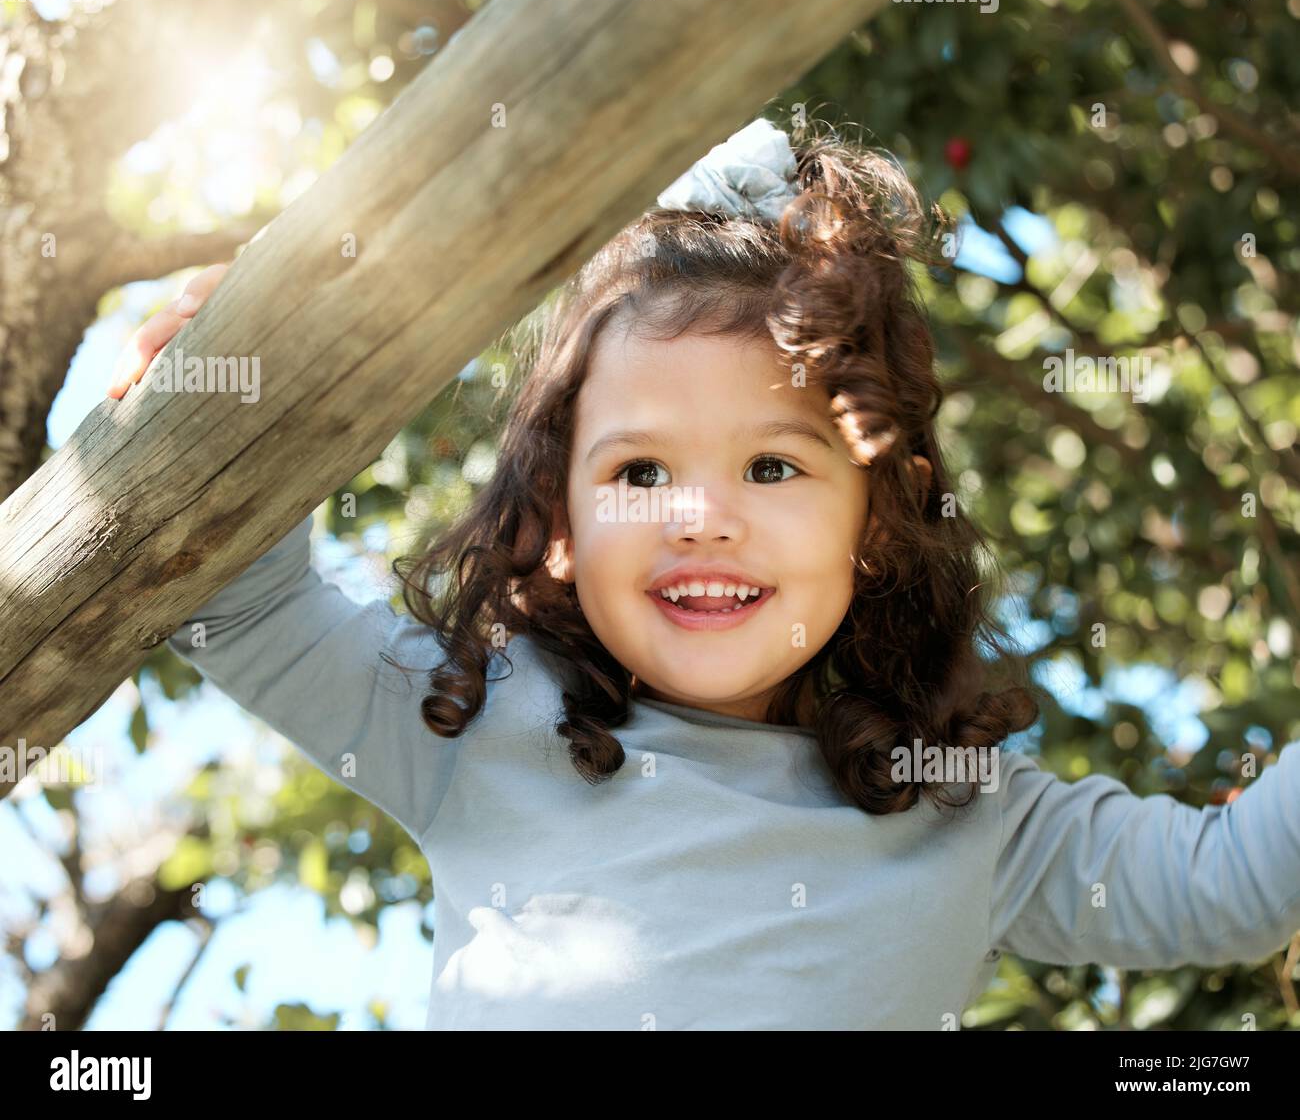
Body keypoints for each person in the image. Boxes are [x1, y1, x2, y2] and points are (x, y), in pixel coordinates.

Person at [107, 116, 1300, 1030]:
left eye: (773, 468)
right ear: (558, 521)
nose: (700, 519)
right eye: (636, 472)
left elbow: (1226, 884)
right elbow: (236, 595)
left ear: (874, 524)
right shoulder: (463, 723)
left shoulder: (968, 813)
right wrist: (235, 379)